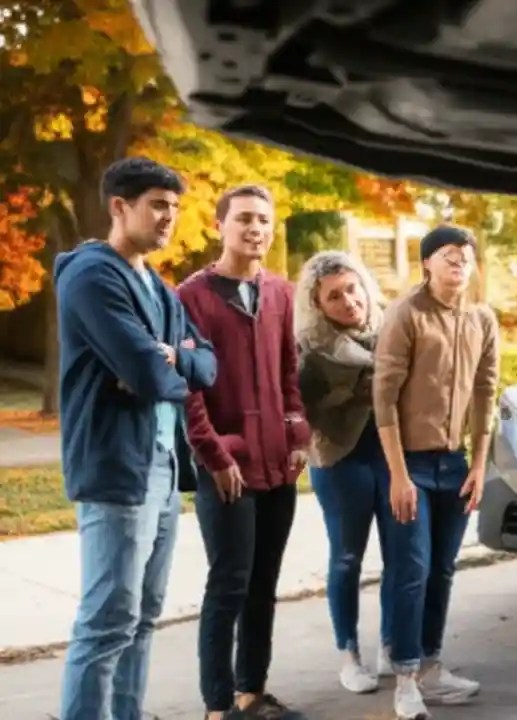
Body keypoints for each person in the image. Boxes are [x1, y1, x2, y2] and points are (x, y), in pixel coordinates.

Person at [56, 156, 218, 720]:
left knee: (143, 616)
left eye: (175, 207)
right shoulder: (92, 275)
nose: (169, 217)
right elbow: (152, 373)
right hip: (116, 469)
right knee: (106, 621)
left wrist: (176, 362)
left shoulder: (160, 287)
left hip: (166, 471)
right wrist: (173, 364)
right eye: (157, 206)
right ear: (119, 207)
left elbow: (208, 366)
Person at [177, 185, 311, 720]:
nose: (256, 229)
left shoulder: (280, 291)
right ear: (220, 226)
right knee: (229, 585)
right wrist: (214, 456)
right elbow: (188, 388)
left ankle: (252, 692)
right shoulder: (191, 296)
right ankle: (217, 706)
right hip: (226, 467)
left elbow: (288, 372)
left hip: (278, 464)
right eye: (245, 219)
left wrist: (298, 435)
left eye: (265, 221)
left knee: (264, 585)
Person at [374, 224, 499, 719]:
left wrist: (480, 465)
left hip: (456, 464)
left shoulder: (483, 319)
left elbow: (486, 392)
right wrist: (398, 475)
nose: (460, 262)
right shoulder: (405, 316)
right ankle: (404, 676)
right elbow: (382, 396)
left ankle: (430, 666)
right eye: (449, 254)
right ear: (427, 263)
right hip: (410, 465)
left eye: (467, 255)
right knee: (411, 569)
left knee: (443, 570)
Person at [295, 251, 393, 694]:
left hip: (393, 457)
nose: (348, 301)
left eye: (352, 288)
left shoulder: (390, 329)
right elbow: (302, 408)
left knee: (403, 557)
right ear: (318, 305)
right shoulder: (309, 347)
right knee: (347, 557)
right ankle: (348, 655)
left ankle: (394, 645)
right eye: (333, 296)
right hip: (340, 459)